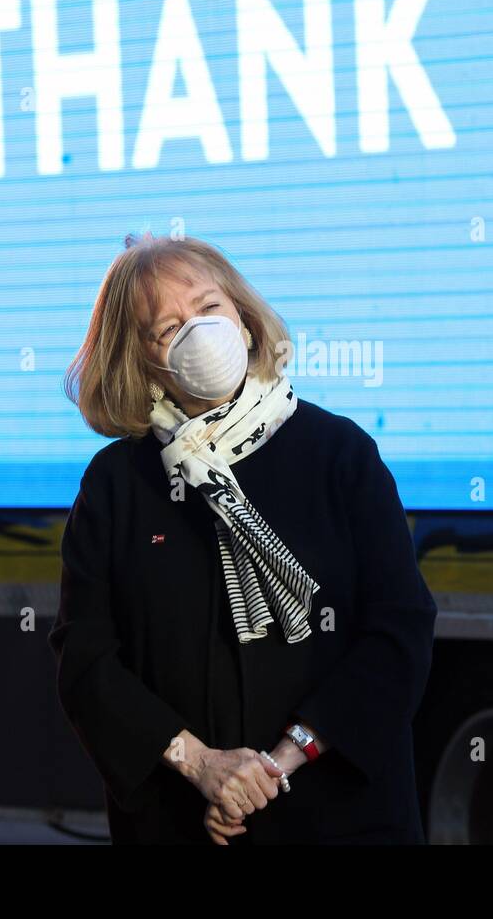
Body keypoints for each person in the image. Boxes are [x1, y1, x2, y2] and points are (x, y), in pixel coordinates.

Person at [47, 232, 439, 844]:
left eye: (209, 308)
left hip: (344, 821)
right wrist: (202, 765)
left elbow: (400, 630)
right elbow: (87, 662)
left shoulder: (339, 454)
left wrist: (274, 766)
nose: (198, 332)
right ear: (142, 359)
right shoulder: (117, 486)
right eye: (167, 328)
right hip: (180, 824)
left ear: (246, 320)